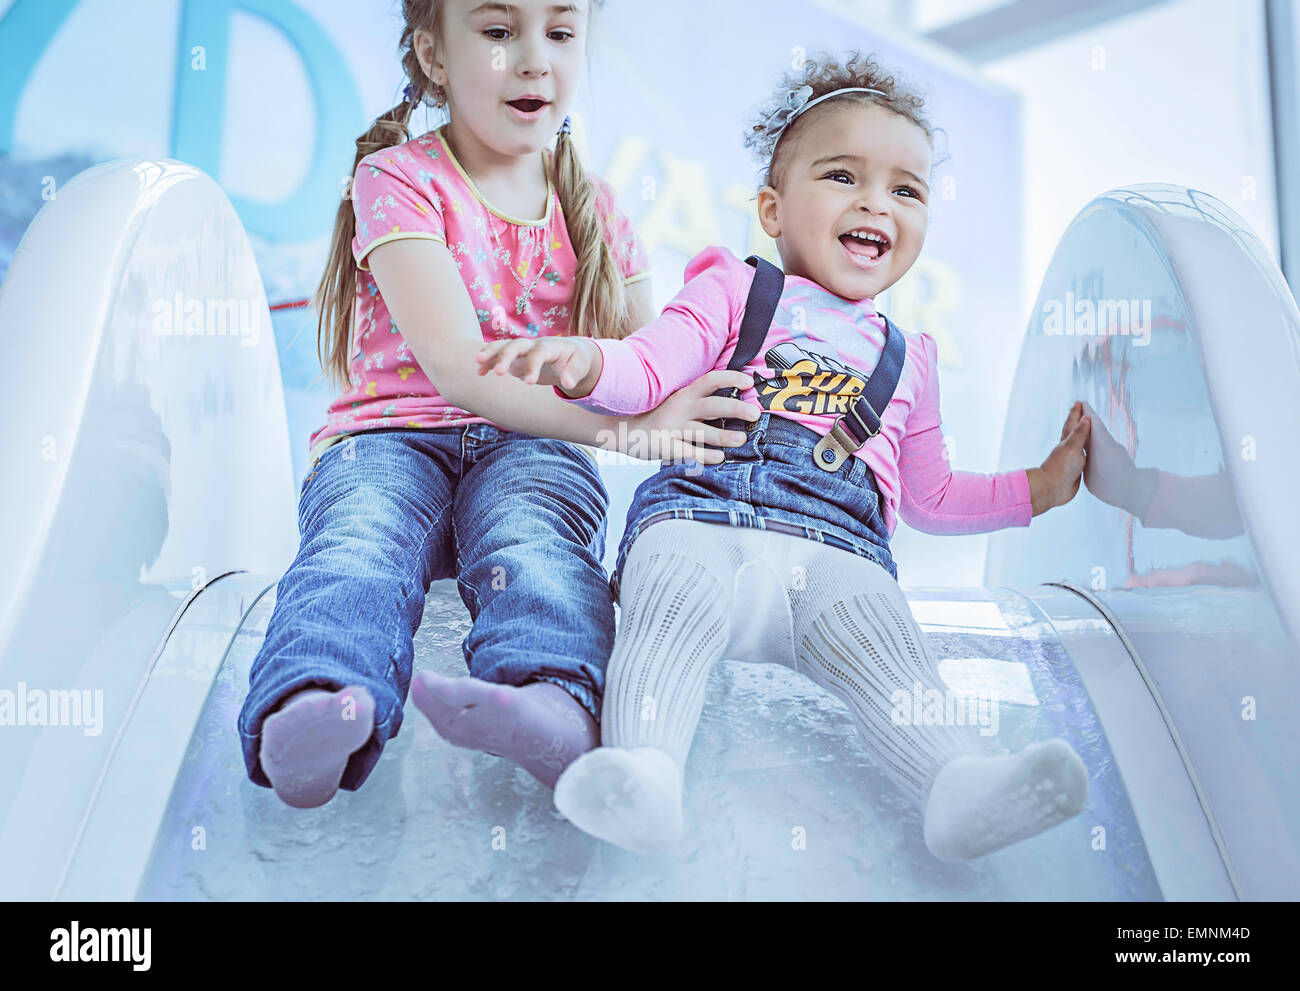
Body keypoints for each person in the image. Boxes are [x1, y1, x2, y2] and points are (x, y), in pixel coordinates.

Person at [476, 51, 1092, 859]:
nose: (877, 201)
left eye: (905, 189)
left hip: (837, 551)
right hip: (702, 516)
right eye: (844, 175)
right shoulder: (735, 287)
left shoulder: (912, 357)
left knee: (890, 649)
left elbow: (931, 495)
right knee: (665, 609)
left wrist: (1041, 487)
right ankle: (645, 774)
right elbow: (652, 365)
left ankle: (957, 784)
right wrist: (589, 364)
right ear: (772, 206)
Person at [236, 0, 759, 809]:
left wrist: (723, 326)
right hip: (392, 437)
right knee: (360, 537)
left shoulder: (602, 212)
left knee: (535, 536)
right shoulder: (398, 179)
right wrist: (632, 432)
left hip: (532, 450)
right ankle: (316, 698)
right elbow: (461, 373)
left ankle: (551, 698)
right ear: (434, 56)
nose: (533, 58)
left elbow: (648, 364)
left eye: (559, 32)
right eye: (496, 30)